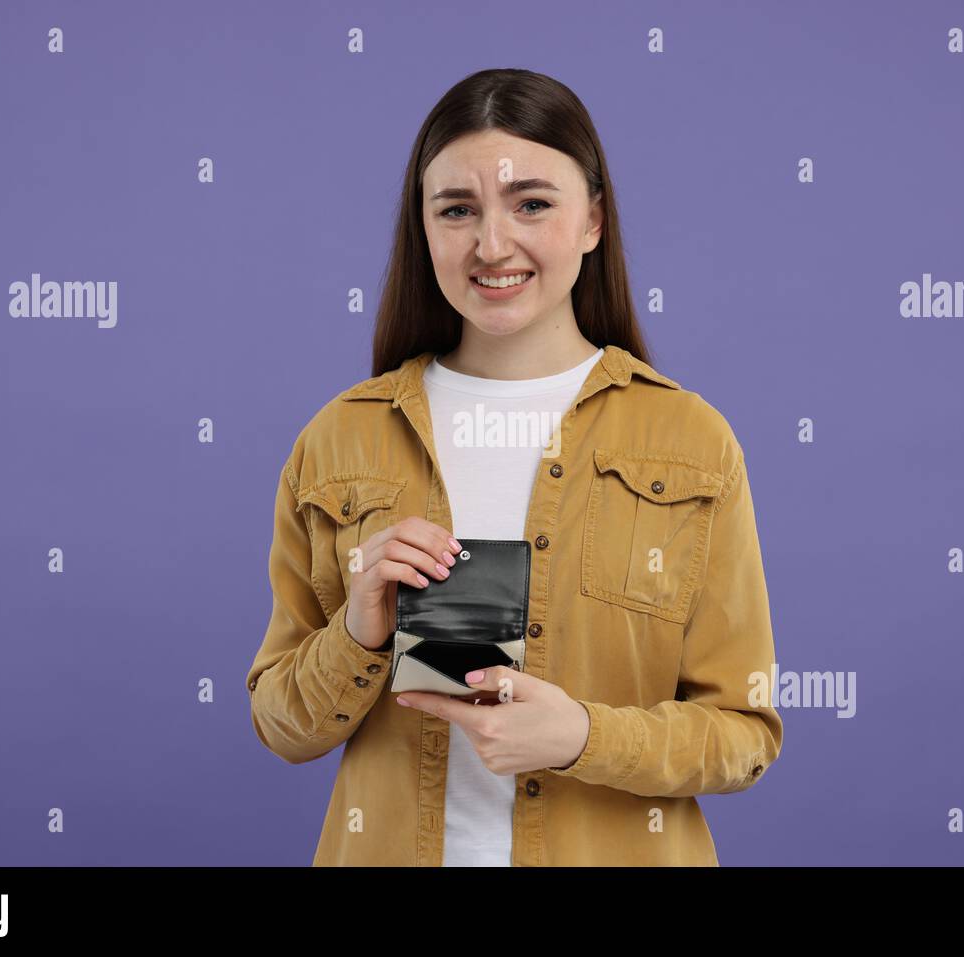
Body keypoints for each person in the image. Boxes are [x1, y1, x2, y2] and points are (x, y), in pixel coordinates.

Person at [245, 67, 782, 866]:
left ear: (593, 219)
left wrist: (583, 736)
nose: (492, 245)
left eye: (532, 203)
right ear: (423, 231)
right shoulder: (338, 440)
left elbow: (745, 732)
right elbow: (282, 724)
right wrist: (358, 632)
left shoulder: (691, 440)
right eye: (457, 210)